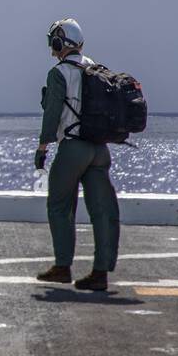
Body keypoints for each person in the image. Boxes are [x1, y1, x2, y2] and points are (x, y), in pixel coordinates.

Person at [34, 19, 120, 291]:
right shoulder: (94, 68)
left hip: (73, 147)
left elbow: (52, 115)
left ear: (60, 43)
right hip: (99, 148)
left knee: (60, 206)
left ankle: (62, 267)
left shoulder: (59, 72)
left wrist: (43, 147)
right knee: (103, 211)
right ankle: (100, 272)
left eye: (53, 42)